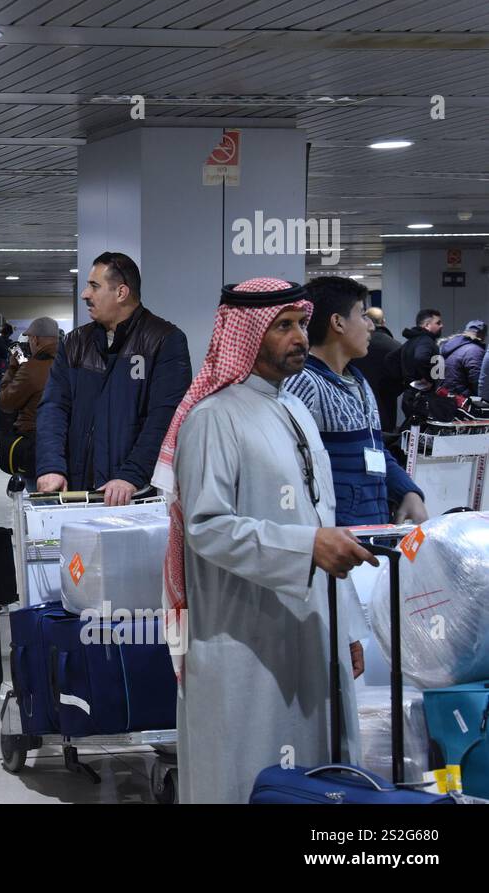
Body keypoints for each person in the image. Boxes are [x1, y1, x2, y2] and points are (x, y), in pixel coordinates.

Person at [152, 277, 381, 805]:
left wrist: (345, 625)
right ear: (246, 334)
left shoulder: (295, 410)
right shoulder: (213, 419)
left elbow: (322, 519)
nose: (299, 336)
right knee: (246, 771)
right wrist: (305, 548)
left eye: (301, 324)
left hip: (310, 628)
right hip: (243, 639)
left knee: (314, 778)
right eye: (283, 326)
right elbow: (205, 527)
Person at [35, 252, 192, 505]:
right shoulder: (74, 343)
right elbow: (54, 408)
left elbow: (166, 417)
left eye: (94, 286)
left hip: (136, 496)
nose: (85, 294)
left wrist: (131, 475)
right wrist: (51, 465)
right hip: (78, 493)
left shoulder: (164, 340)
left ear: (121, 293)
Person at [285, 277, 427, 529]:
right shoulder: (304, 384)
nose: (370, 326)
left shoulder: (358, 382)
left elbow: (376, 450)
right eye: (362, 315)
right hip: (333, 542)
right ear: (337, 322)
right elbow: (288, 468)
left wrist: (407, 491)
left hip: (369, 532)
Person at [0, 316, 60, 480]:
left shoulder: (31, 368)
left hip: (35, 442)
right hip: (64, 440)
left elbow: (6, 402)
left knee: (39, 496)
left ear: (36, 339)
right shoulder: (70, 362)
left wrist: (13, 367)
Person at [353, 307, 404, 432]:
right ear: (384, 321)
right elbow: (403, 382)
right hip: (386, 410)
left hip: (355, 412)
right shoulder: (396, 347)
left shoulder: (353, 348)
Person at [393, 308, 443, 385]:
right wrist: (429, 379)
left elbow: (391, 359)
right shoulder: (426, 341)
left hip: (411, 392)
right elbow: (420, 358)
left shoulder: (410, 342)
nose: (441, 326)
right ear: (427, 325)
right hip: (425, 394)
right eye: (438, 323)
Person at [439, 319, 485, 397]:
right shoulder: (475, 350)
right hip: (462, 399)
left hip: (446, 395)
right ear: (483, 335)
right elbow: (477, 380)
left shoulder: (450, 345)